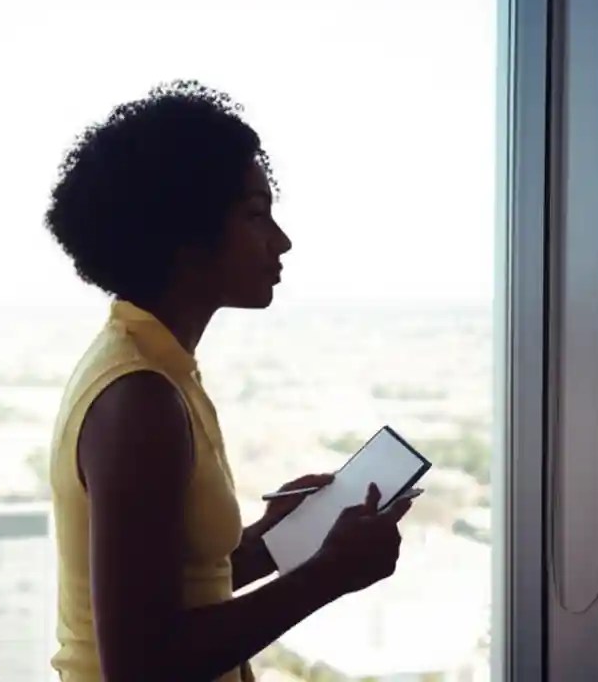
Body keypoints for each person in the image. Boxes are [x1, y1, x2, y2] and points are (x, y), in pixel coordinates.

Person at [44, 80, 413, 682]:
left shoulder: (156, 365)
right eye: (255, 215)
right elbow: (144, 666)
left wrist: (271, 542)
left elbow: (178, 592)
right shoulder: (140, 398)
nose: (282, 241)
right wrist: (328, 575)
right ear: (187, 237)